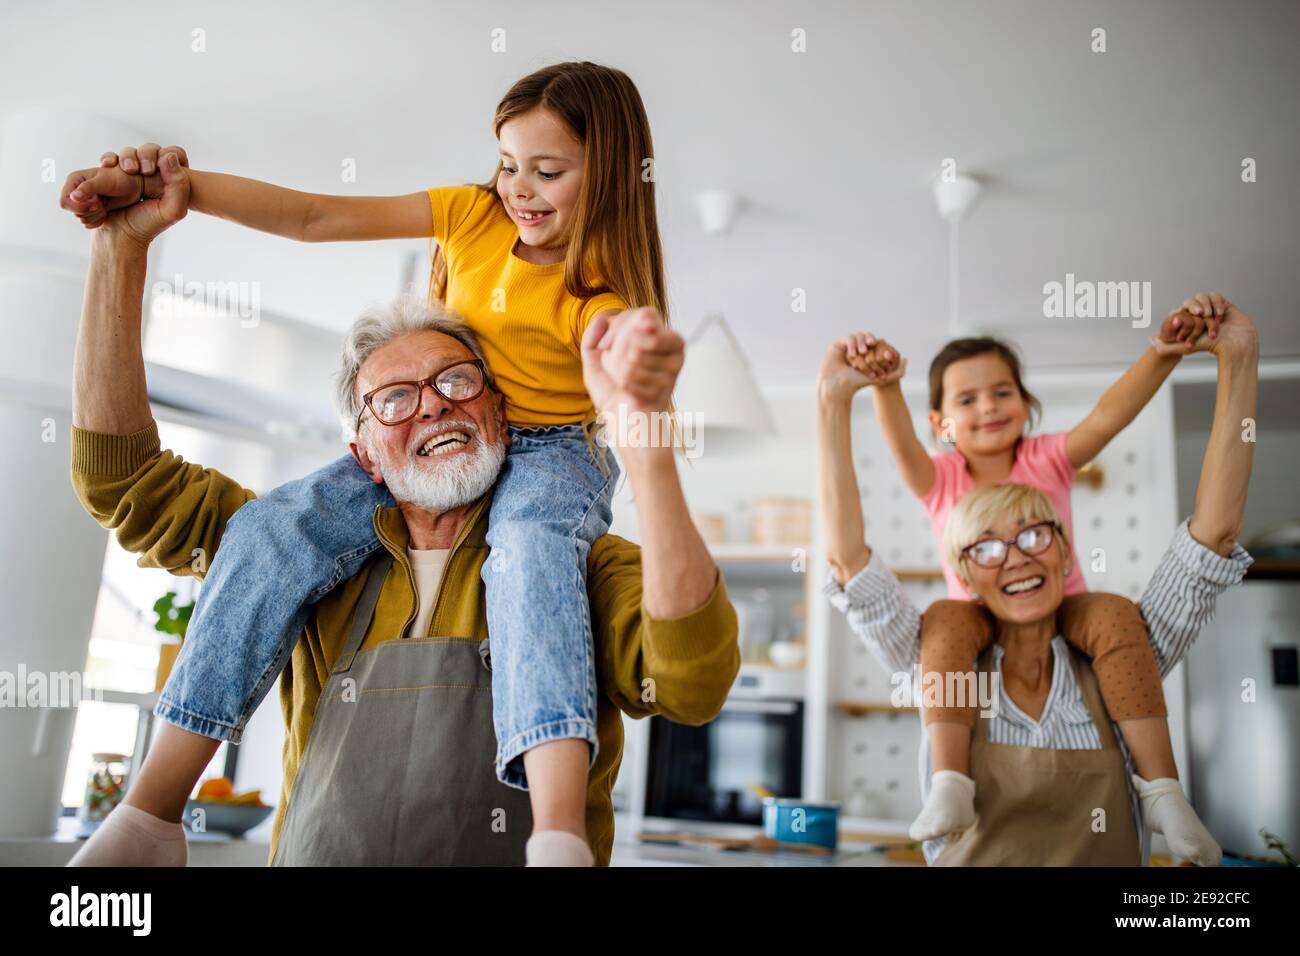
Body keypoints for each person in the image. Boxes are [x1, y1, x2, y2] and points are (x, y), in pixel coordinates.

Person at [62, 61, 673, 865]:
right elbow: (314, 216)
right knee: (271, 528)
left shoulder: (603, 302)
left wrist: (644, 416)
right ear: (362, 446)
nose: (518, 190)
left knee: (530, 558)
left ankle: (555, 835)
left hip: (559, 452)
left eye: (548, 171)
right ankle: (149, 816)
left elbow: (688, 678)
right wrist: (178, 194)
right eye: (507, 164)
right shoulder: (471, 217)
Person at [817, 300, 1258, 865]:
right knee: (948, 621)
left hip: (1080, 613)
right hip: (963, 620)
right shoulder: (936, 650)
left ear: (1065, 546)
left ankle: (1164, 791)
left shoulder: (1119, 660)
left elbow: (1115, 425)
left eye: (1034, 536)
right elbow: (850, 560)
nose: (1016, 560)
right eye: (986, 545)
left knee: (1113, 612)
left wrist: (1174, 355)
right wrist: (863, 392)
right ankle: (951, 784)